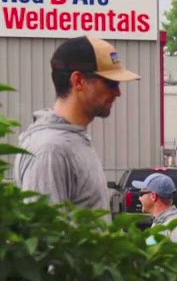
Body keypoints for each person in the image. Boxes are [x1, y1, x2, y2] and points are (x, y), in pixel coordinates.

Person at [14, 35, 138, 209]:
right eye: (111, 83)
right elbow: (46, 233)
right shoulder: (50, 149)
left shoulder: (71, 140)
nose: (118, 92)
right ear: (78, 81)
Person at [131, 172, 177, 256]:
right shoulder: (160, 221)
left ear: (153, 196)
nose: (139, 198)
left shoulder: (175, 224)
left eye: (141, 194)